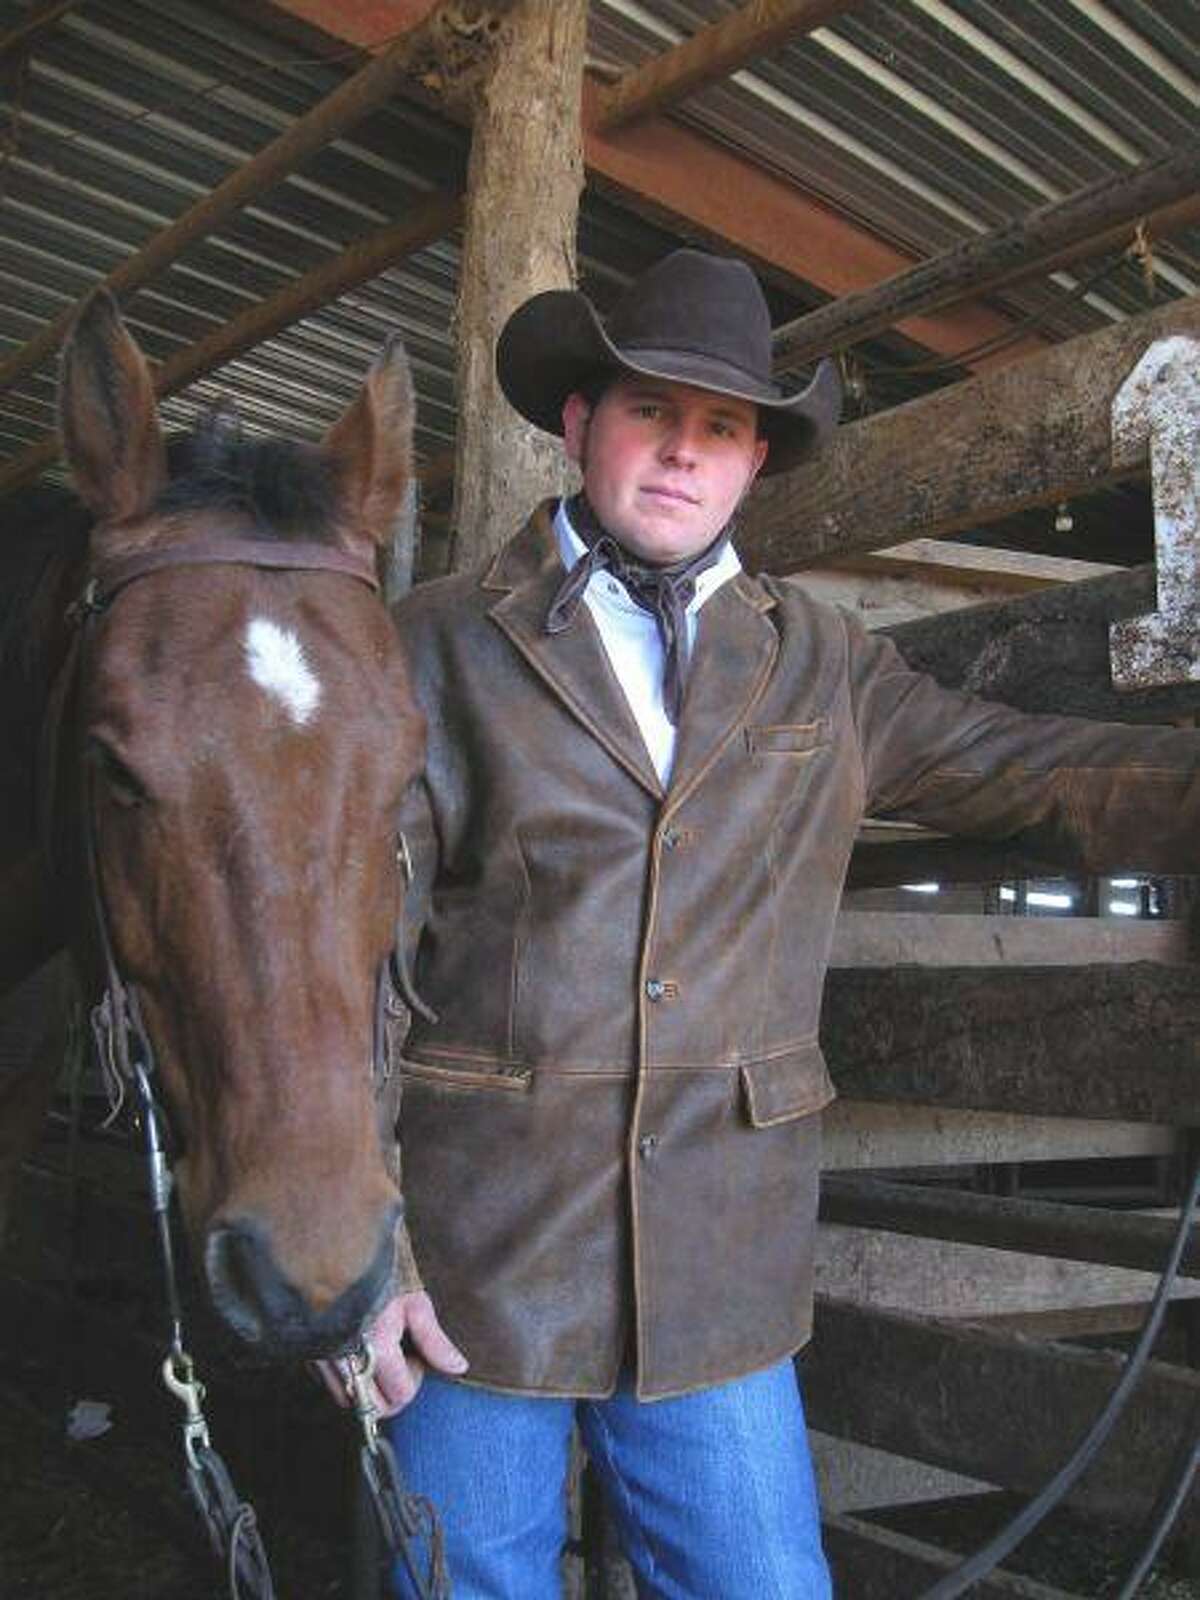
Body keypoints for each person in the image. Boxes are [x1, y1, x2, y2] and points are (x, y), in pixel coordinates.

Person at [348, 249, 1200, 1598]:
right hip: (469, 1265)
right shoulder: (431, 645)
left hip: (719, 1267)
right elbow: (352, 974)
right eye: (650, 412)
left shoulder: (825, 664)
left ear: (756, 459)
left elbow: (1038, 769)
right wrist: (363, 1257)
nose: (684, 453)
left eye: (723, 426)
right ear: (578, 423)